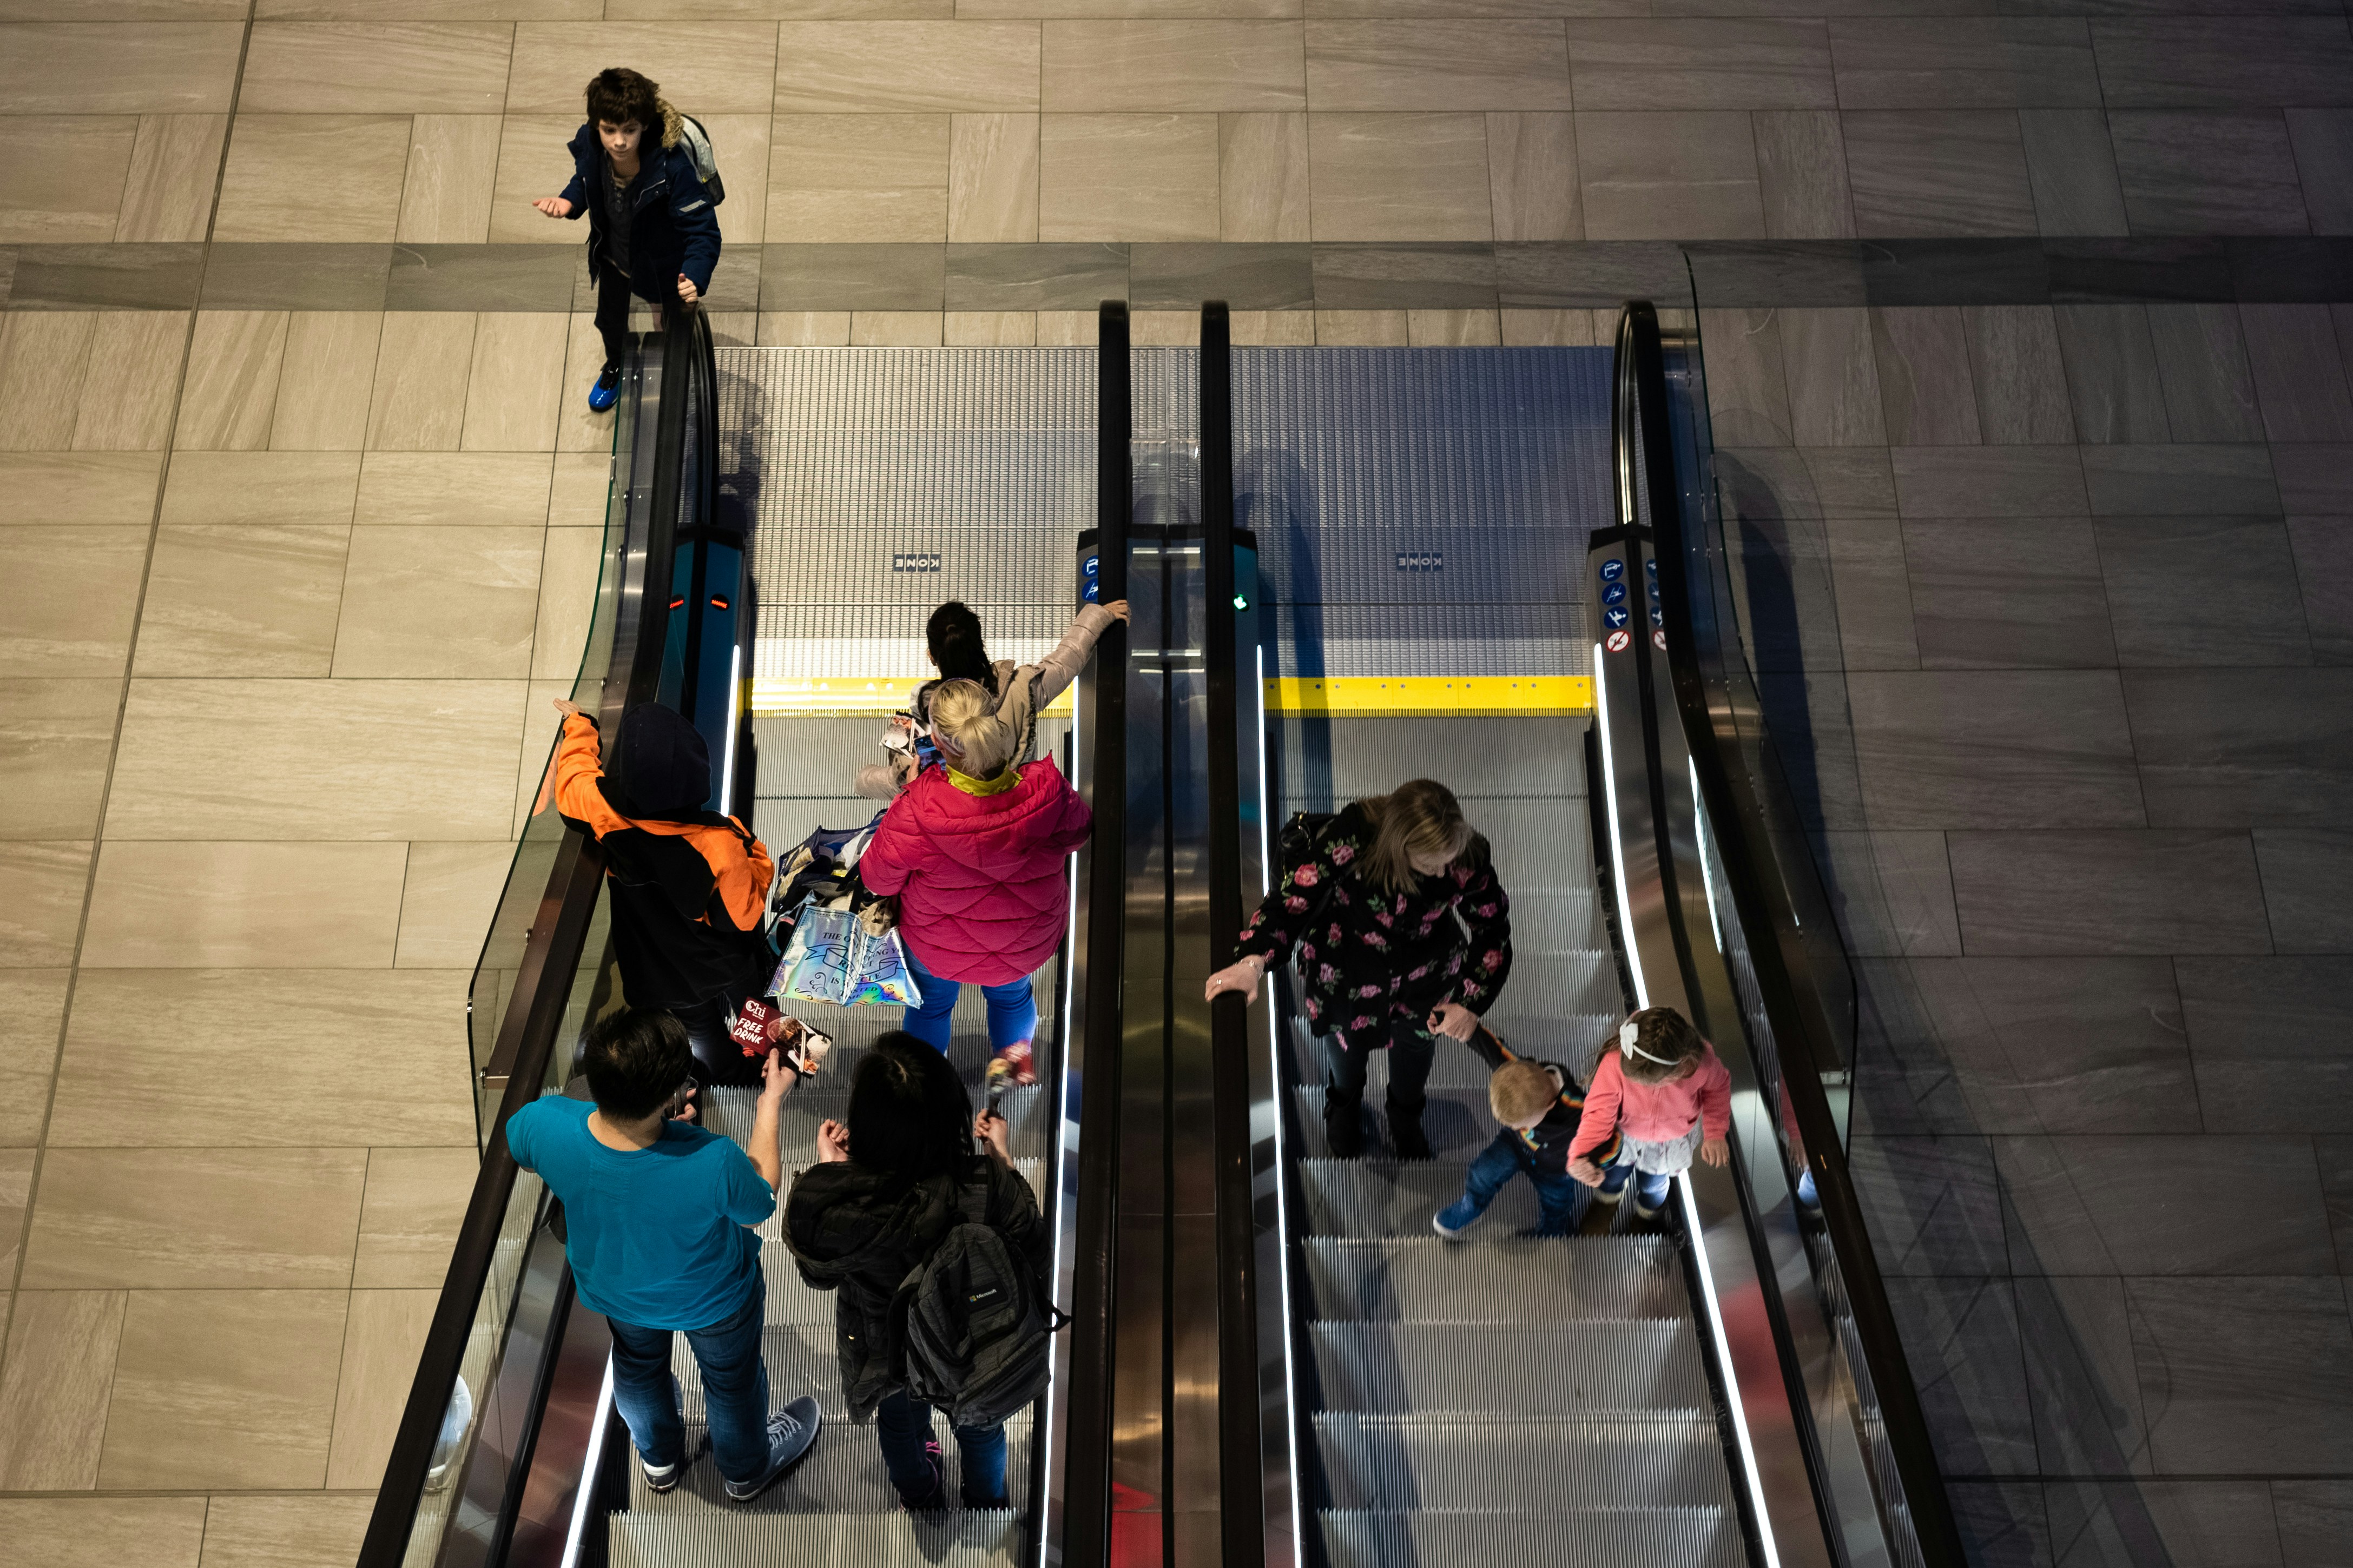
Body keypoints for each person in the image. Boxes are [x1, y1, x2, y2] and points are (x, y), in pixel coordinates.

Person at [506, 1007, 821, 1503]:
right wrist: (770, 1103)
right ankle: (744, 1470)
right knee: (731, 1378)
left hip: (615, 1289)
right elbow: (757, 1203)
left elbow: (524, 1152)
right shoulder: (710, 1157)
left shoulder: (543, 1122)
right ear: (674, 1088)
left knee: (636, 1363)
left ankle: (659, 1461)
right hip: (714, 1298)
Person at [785, 1031, 1047, 1511]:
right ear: (952, 1112)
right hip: (972, 1342)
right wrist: (1001, 1158)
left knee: (900, 1423)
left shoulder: (842, 1202)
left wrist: (832, 1175)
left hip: (886, 1348)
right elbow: (1034, 1250)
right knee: (980, 1424)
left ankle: (920, 1492)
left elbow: (816, 1273)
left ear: (865, 1123)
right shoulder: (985, 1185)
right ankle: (985, 1499)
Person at [1203, 780, 1512, 1160]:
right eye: (1430, 863)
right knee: (1345, 1055)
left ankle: (1405, 1117)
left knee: (1415, 1051)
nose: (1441, 873)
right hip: (1346, 974)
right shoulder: (1353, 834)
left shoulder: (1466, 854)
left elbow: (1491, 929)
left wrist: (1468, 1001)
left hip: (1425, 978)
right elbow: (1293, 899)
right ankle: (1343, 1107)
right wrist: (1252, 962)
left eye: (1448, 861)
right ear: (1399, 848)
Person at [855, 684, 1092, 1085]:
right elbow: (1078, 833)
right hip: (1023, 938)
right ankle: (1012, 1067)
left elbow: (877, 877)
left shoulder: (916, 810)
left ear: (939, 743)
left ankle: (924, 1081)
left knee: (930, 1005)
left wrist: (910, 792)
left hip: (936, 944)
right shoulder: (1048, 792)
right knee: (1012, 995)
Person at [551, 697, 774, 1086]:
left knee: (701, 1028)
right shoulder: (717, 843)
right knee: (754, 1008)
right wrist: (754, 852)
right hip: (722, 961)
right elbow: (743, 916)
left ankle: (733, 1075)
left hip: (660, 969)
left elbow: (572, 778)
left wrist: (579, 723)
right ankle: (774, 1063)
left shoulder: (605, 811)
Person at [533, 67, 720, 412]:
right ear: (597, 125)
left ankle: (673, 366)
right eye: (609, 130)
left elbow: (703, 229)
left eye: (629, 130)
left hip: (663, 266)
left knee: (666, 322)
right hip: (615, 260)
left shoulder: (672, 168)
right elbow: (585, 180)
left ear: (645, 125)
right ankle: (615, 366)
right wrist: (569, 201)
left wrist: (695, 274)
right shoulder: (592, 147)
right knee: (610, 322)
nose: (619, 141)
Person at [856, 598, 1129, 801]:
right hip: (1016, 819)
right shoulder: (1022, 689)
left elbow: (894, 781)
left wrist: (867, 779)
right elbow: (1066, 661)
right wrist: (1098, 616)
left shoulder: (924, 717)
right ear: (980, 643)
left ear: (932, 656)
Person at [1432, 1023, 1619, 1240]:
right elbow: (1492, 1050)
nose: (1515, 1127)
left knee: (1556, 1204)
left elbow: (1614, 1139)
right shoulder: (1517, 1072)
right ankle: (1471, 1205)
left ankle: (1551, 1232)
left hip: (1556, 1168)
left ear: (1550, 1106)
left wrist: (1593, 1161)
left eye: (1521, 1125)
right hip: (1514, 1145)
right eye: (1508, 1123)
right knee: (1481, 1172)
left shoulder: (1580, 1112)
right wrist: (1467, 1025)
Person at [1565, 1006, 1732, 1222]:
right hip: (1625, 1134)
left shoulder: (1703, 1064)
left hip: (1669, 1141)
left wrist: (1715, 1132)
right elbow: (1598, 1112)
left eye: (1654, 1084)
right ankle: (1606, 1204)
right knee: (1612, 1176)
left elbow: (1717, 1089)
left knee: (1654, 1186)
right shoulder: (1615, 1061)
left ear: (1683, 1065)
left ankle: (1645, 1218)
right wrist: (1579, 1153)